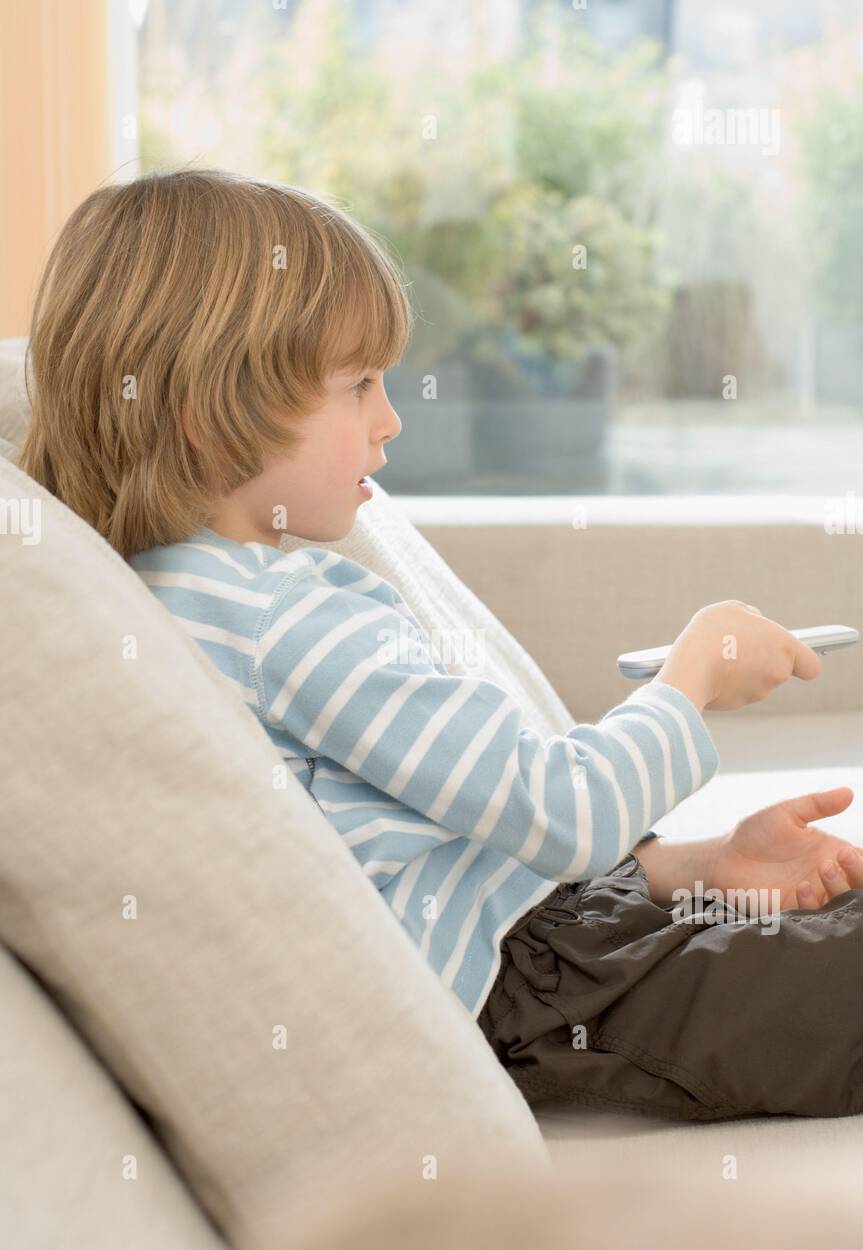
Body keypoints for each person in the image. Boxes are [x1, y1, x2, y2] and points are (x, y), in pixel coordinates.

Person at [19, 169, 863, 1122]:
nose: (391, 419)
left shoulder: (176, 599)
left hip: (549, 941)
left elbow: (445, 855)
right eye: (359, 385)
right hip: (545, 987)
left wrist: (698, 865)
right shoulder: (275, 618)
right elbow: (564, 807)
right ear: (212, 411)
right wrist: (692, 672)